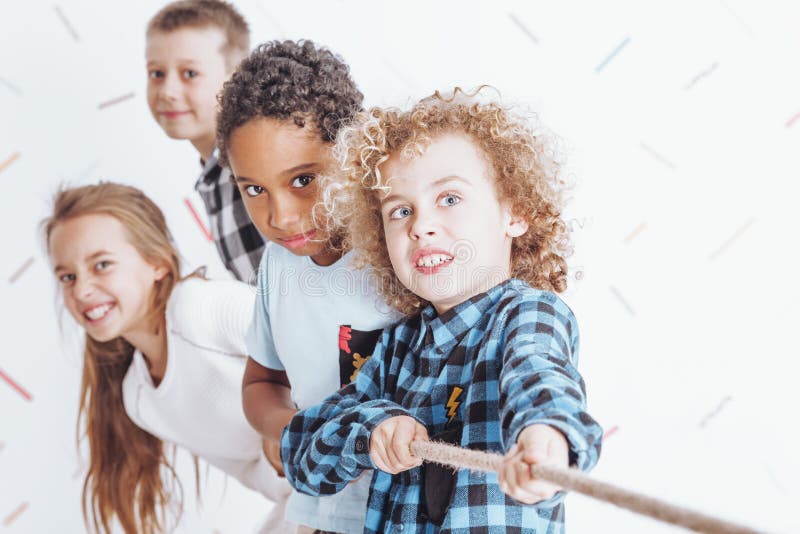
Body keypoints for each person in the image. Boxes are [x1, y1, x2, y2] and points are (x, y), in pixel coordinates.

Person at [281, 90, 604, 532]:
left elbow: (540, 376)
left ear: (516, 212)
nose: (420, 225)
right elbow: (302, 457)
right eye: (400, 211)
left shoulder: (528, 315)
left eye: (449, 198)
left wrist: (547, 437)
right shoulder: (397, 347)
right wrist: (371, 428)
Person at [216, 40, 400, 533]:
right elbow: (262, 383)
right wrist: (285, 429)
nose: (280, 216)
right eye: (254, 189)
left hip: (409, 511)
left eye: (303, 180)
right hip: (321, 515)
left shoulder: (401, 250)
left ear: (353, 151)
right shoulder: (277, 266)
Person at [44, 183, 291, 534]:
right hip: (307, 497)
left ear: (157, 262)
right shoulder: (139, 399)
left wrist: (285, 426)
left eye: (101, 265)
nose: (81, 290)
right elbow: (255, 476)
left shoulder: (202, 309)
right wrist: (274, 456)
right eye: (67, 277)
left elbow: (332, 356)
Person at [146, 0, 266, 282]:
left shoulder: (257, 165)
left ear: (236, 77)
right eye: (157, 74)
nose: (168, 91)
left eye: (190, 73)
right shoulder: (215, 173)